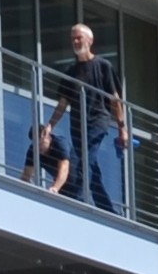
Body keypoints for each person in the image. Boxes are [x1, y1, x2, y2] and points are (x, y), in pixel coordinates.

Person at [54, 20, 131, 213]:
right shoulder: (70, 72)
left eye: (79, 38)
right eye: (73, 39)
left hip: (97, 121)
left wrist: (122, 128)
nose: (76, 42)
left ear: (90, 40)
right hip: (77, 125)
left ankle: (79, 201)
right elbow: (63, 104)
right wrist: (50, 125)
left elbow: (115, 99)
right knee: (91, 169)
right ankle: (108, 210)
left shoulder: (103, 66)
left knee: (82, 160)